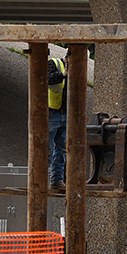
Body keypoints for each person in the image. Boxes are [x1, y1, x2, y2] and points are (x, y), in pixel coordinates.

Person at [46, 49, 68, 191]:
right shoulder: (53, 63)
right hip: (52, 112)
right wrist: (63, 74)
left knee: (62, 149)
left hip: (65, 113)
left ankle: (56, 181)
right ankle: (42, 179)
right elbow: (47, 79)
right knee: (47, 148)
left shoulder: (77, 72)